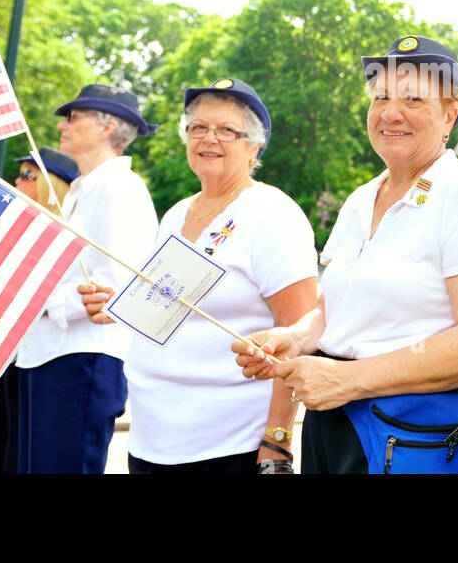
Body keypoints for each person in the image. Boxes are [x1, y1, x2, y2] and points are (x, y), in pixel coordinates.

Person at [234, 35, 458, 474]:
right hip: (332, 417)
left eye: (413, 98)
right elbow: (331, 313)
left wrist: (348, 380)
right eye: (380, 96)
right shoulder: (361, 198)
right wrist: (292, 339)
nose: (390, 112)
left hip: (410, 430)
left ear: (450, 115)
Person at [78, 78, 319, 474]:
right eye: (198, 127)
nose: (209, 138)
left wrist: (277, 441)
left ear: (255, 146)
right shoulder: (176, 213)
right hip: (152, 440)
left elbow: (297, 334)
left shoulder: (271, 214)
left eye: (227, 130)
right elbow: (169, 312)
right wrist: (116, 304)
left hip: (228, 445)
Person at [11, 84, 160, 474]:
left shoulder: (120, 189)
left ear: (107, 126)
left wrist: (40, 299)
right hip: (54, 354)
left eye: (75, 116)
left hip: (82, 360)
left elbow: (117, 289)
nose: (64, 124)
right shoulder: (83, 191)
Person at [0, 146, 78, 474]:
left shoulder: (66, 234)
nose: (18, 181)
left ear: (53, 185)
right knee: (4, 452)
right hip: (14, 355)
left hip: (49, 357)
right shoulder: (19, 229)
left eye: (28, 175)